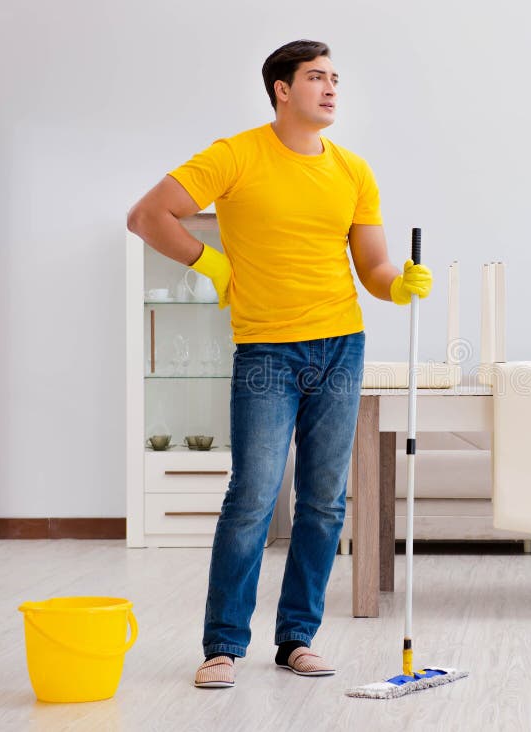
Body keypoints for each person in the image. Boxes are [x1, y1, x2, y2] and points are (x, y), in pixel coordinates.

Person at [127, 39, 433, 688]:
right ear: (281, 89)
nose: (330, 89)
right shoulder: (236, 155)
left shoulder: (352, 170)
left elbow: (372, 267)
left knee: (324, 502)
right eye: (316, 78)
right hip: (266, 350)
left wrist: (398, 282)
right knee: (253, 498)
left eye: (335, 79)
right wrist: (211, 264)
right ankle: (223, 647)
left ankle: (297, 638)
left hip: (341, 347)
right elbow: (148, 215)